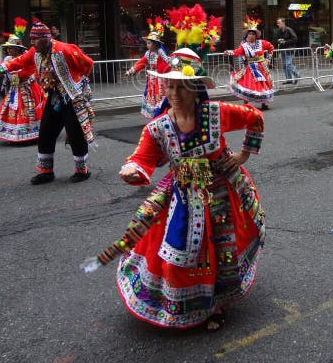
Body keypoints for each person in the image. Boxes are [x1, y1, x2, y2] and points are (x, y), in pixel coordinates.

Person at [98, 48, 265, 331]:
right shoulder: (158, 127)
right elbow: (142, 158)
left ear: (196, 88)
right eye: (169, 86)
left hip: (222, 190)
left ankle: (218, 304)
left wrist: (243, 155)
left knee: (222, 252)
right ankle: (189, 301)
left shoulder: (218, 112)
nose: (174, 94)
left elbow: (254, 117)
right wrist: (132, 170)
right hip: (183, 195)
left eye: (182, 87)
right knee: (180, 252)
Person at [0, 19, 95, 184]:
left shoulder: (64, 50)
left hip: (73, 98)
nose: (32, 43)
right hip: (53, 97)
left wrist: (79, 82)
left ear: (46, 39)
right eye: (31, 39)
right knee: (45, 132)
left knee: (75, 134)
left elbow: (87, 64)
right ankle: (46, 172)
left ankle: (82, 170)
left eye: (35, 39)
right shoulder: (34, 52)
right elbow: (17, 62)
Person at [0, 30, 45, 143]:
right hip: (15, 89)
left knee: (29, 110)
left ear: (17, 49)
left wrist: (12, 76)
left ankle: (32, 135)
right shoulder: (7, 60)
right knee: (12, 110)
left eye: (11, 48)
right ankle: (14, 135)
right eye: (8, 48)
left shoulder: (26, 58)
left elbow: (26, 74)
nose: (9, 50)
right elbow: (5, 71)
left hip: (28, 89)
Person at [225, 24, 275, 110]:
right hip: (250, 68)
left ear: (256, 35)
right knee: (247, 85)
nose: (251, 35)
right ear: (247, 35)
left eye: (253, 34)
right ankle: (245, 102)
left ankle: (264, 103)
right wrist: (229, 52)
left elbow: (271, 48)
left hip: (262, 67)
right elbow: (237, 52)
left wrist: (268, 59)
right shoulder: (244, 46)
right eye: (250, 34)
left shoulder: (262, 43)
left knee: (263, 85)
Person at [124, 31, 170, 118]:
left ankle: (161, 113)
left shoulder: (160, 52)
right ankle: (155, 115)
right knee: (152, 96)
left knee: (160, 96)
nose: (147, 45)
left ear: (155, 44)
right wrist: (131, 71)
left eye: (149, 43)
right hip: (152, 78)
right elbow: (141, 63)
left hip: (160, 78)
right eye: (147, 43)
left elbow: (167, 61)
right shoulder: (148, 53)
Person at [275, 18, 301, 85]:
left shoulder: (289, 30)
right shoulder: (279, 31)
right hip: (283, 50)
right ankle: (289, 79)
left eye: (279, 23)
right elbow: (276, 38)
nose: (278, 24)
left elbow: (295, 39)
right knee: (284, 65)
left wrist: (285, 42)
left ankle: (297, 74)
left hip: (290, 50)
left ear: (283, 23)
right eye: (277, 23)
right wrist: (279, 41)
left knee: (288, 64)